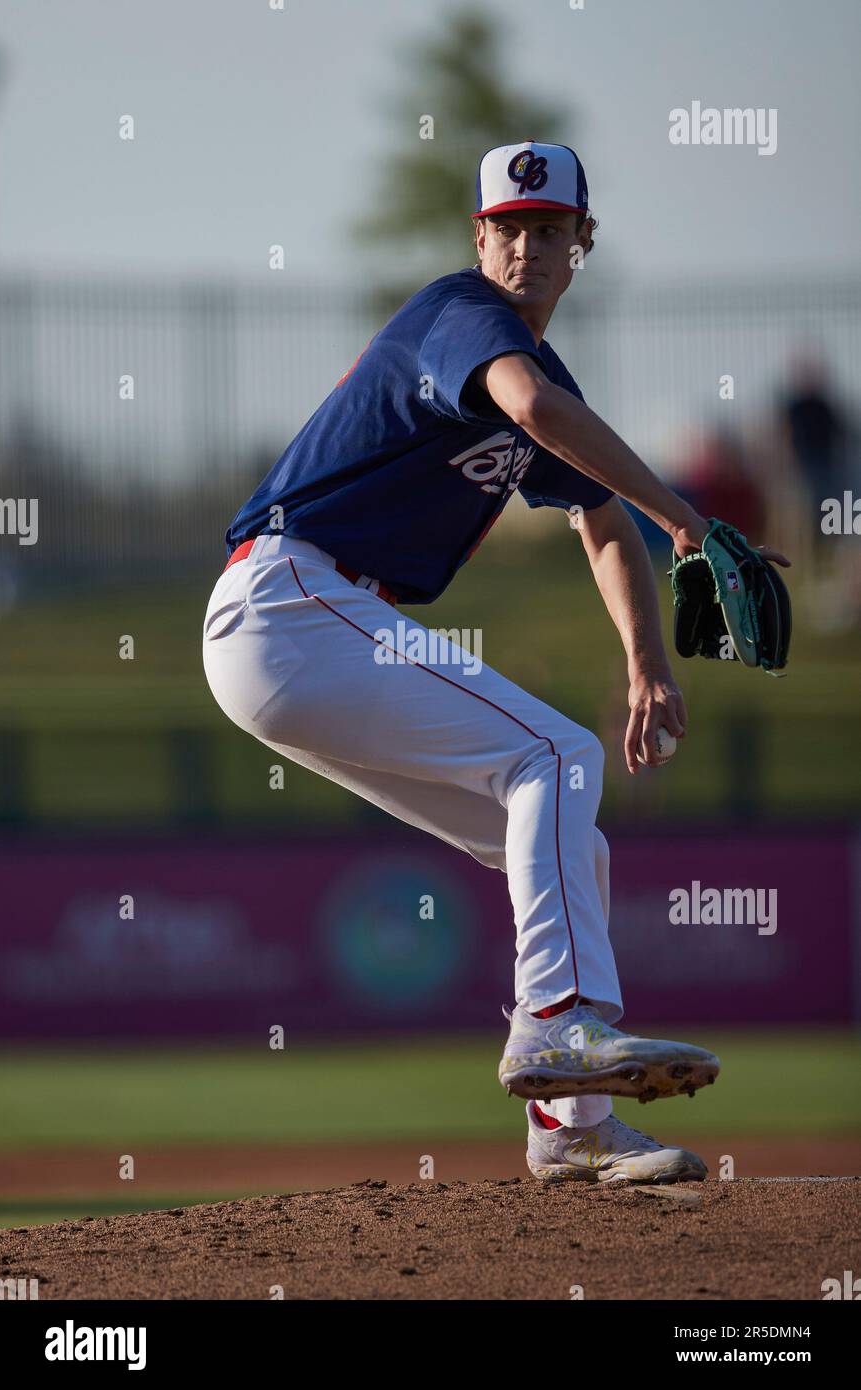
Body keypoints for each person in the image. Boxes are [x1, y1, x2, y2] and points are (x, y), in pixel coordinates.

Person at [203, 142, 788, 1184]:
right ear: (479, 241)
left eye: (547, 228)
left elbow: (598, 518)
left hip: (301, 629)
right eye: (505, 227)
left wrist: (647, 663)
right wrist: (691, 522)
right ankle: (558, 1023)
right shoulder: (463, 312)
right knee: (554, 757)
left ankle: (568, 1130)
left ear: (580, 245)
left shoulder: (540, 367)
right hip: (290, 601)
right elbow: (533, 412)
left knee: (568, 836)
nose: (524, 246)